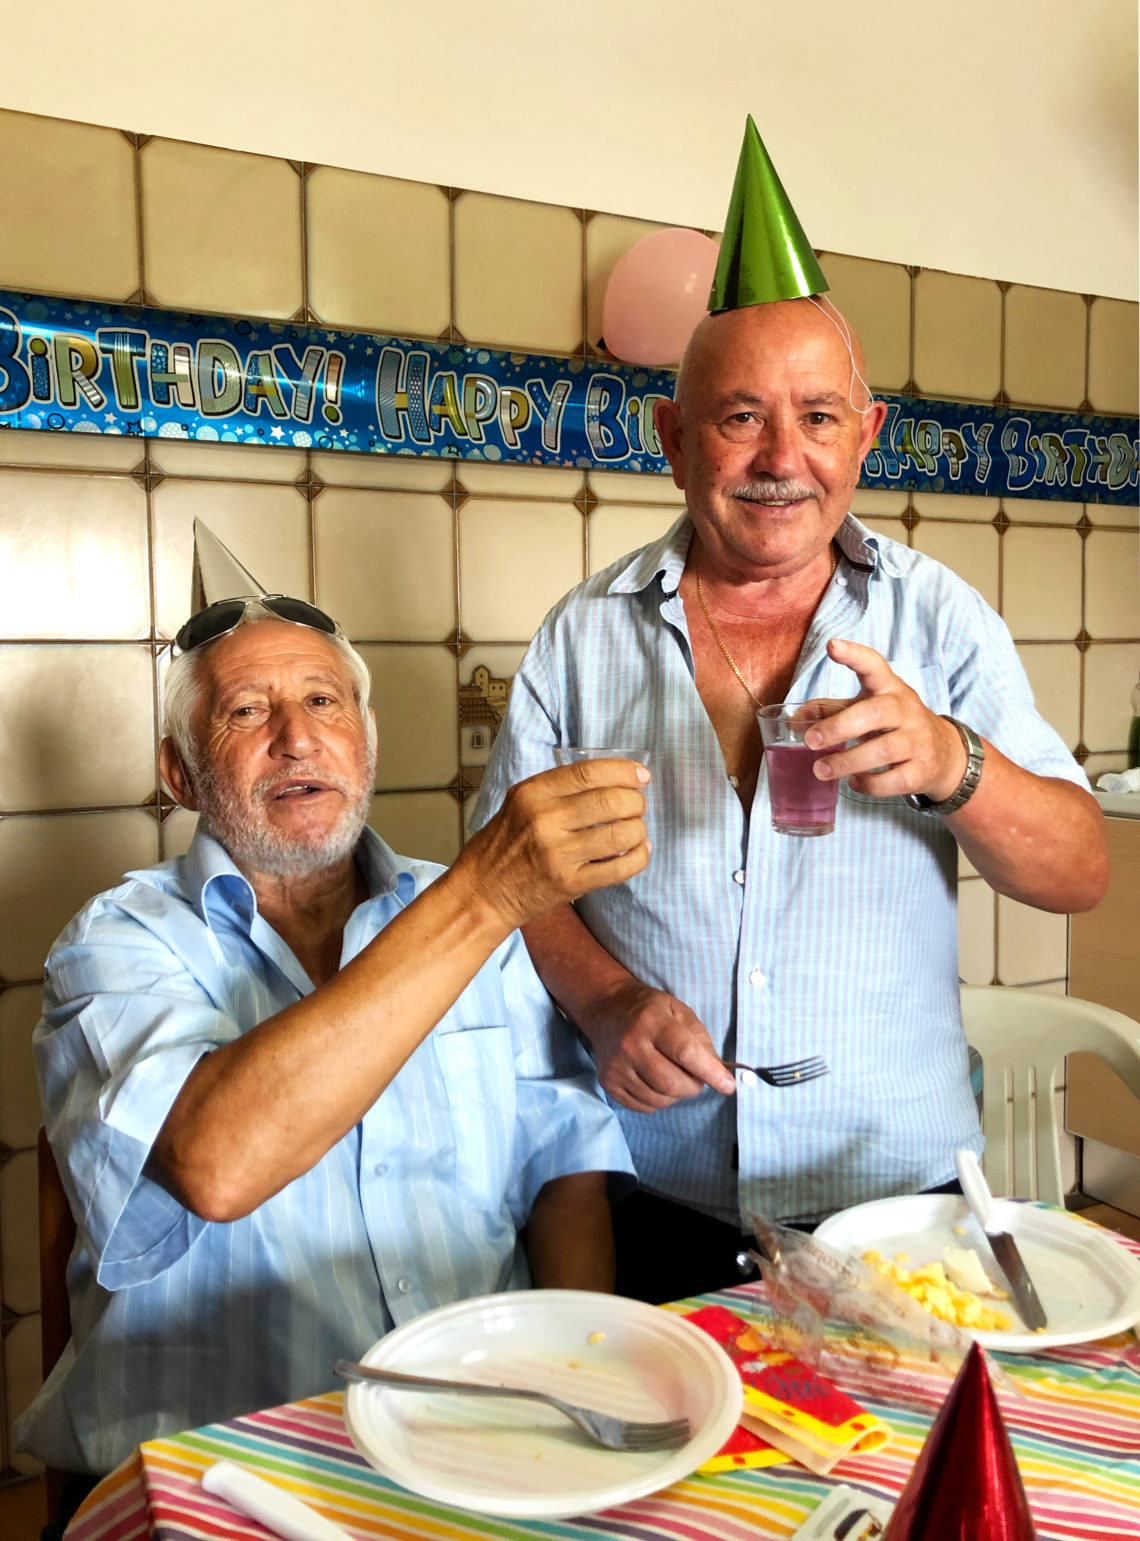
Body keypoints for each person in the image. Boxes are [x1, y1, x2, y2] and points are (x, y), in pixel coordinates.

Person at [473, 292, 1109, 1304]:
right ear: (674, 440)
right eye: (739, 416)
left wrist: (953, 762)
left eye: (817, 415)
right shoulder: (581, 636)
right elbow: (507, 880)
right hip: (653, 1193)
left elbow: (1080, 868)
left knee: (907, 1462)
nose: (782, 456)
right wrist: (605, 1001)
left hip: (897, 1201)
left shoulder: (939, 618)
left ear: (867, 433)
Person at [15, 595, 650, 1495]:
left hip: (478, 1444)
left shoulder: (469, 911)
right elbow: (217, 1164)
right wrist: (486, 893)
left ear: (367, 739)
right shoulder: (114, 942)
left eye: (324, 702)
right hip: (222, 1477)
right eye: (245, 711)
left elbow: (566, 1180)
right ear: (180, 773)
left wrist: (570, 1401)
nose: (296, 739)